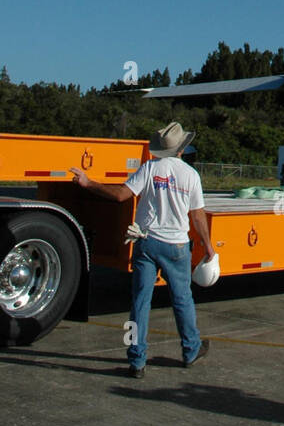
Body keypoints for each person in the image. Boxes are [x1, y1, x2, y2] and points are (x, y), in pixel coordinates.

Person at [70, 121, 215, 378]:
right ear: (182, 148)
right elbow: (198, 215)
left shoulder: (149, 168)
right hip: (177, 246)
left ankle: (136, 360)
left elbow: (120, 196)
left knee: (140, 301)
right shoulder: (191, 175)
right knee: (182, 299)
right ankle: (191, 350)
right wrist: (208, 246)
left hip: (146, 242)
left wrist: (89, 183)